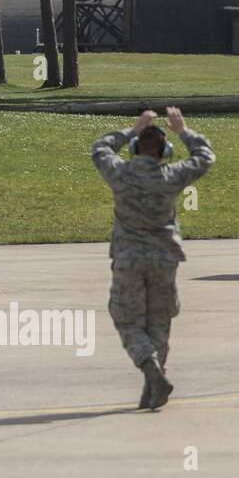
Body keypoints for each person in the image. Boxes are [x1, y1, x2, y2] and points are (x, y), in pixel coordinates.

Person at [91, 107, 215, 410]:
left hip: (129, 258)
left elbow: (99, 149)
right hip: (163, 258)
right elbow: (205, 157)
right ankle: (154, 381)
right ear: (165, 152)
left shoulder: (120, 174)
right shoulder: (171, 175)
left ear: (135, 150)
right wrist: (183, 130)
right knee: (159, 321)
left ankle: (150, 369)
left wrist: (133, 129)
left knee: (127, 319)